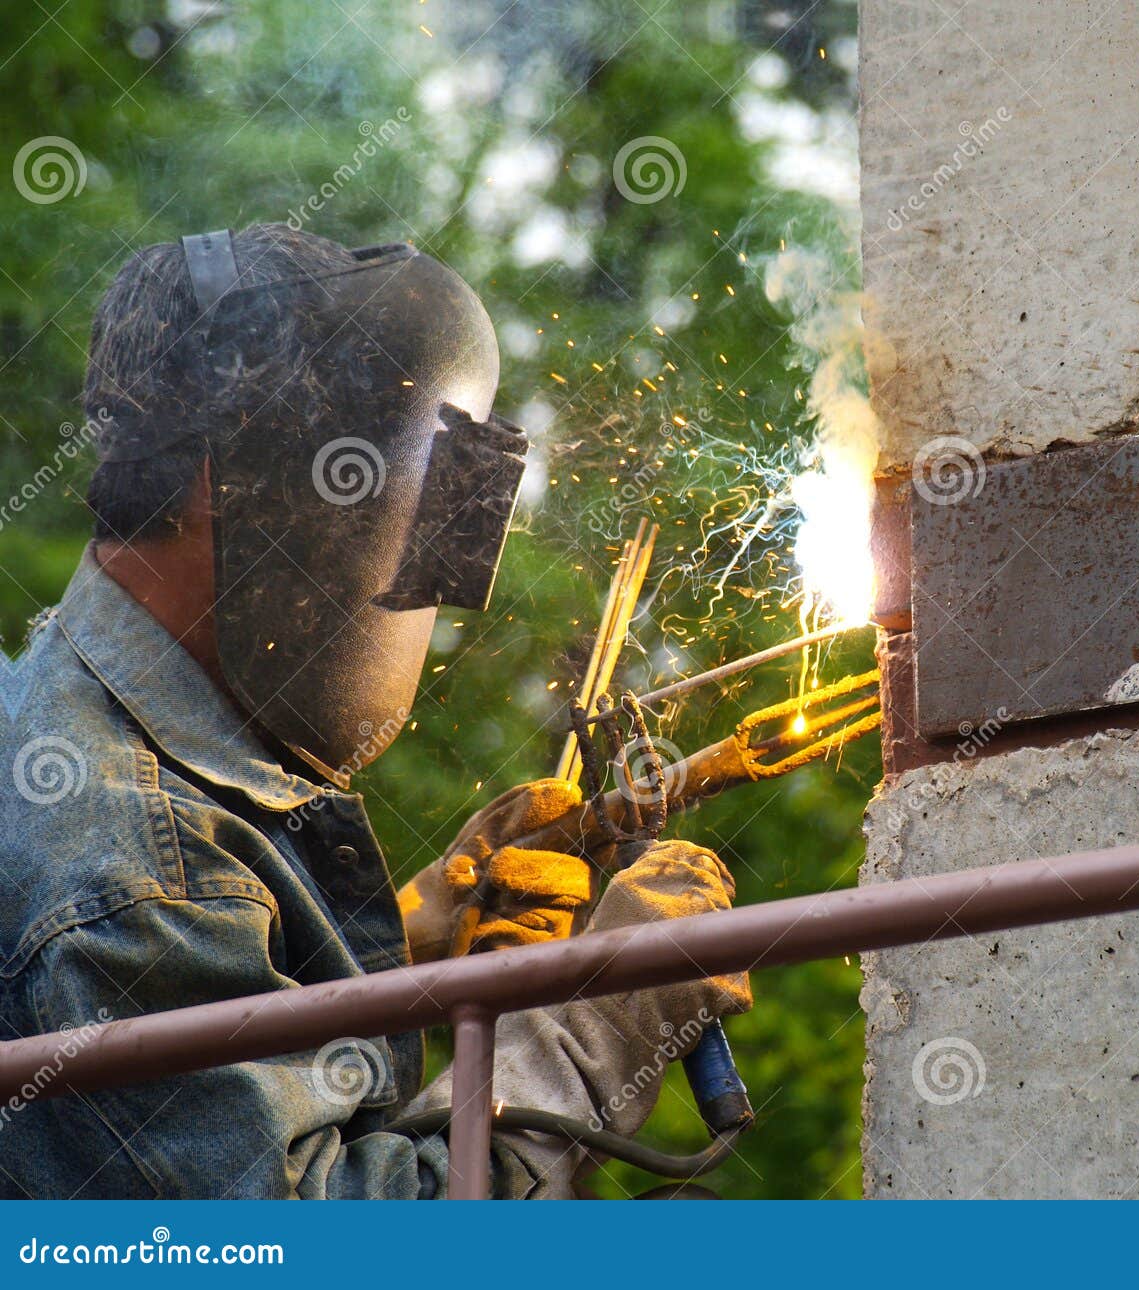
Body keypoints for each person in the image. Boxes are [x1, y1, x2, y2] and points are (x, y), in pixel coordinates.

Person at [0, 224, 749, 1198]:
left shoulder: (58, 708)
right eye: (412, 491)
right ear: (219, 484)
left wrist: (407, 957)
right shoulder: (136, 877)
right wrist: (600, 1024)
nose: (440, 560)